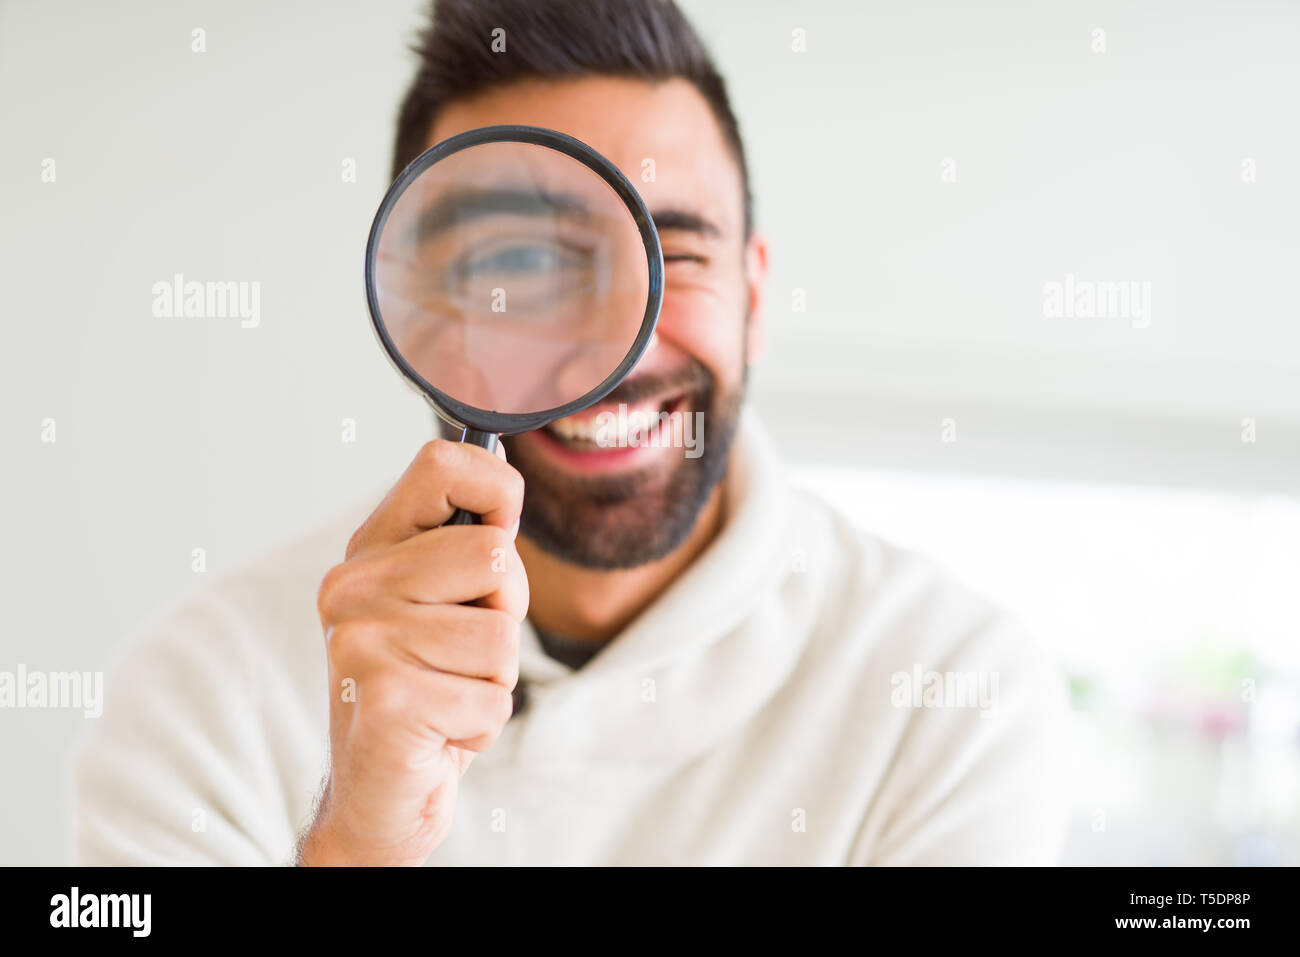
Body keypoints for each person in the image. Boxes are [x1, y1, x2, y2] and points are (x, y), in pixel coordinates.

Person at [74, 0, 1068, 866]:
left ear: (754, 298)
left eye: (673, 256)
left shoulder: (949, 692)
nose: (616, 352)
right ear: (419, 309)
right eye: (523, 264)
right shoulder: (201, 692)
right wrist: (360, 850)